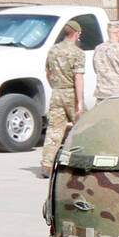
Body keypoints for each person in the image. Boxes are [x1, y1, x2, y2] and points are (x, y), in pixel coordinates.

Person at [40, 18, 86, 177]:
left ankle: (46, 166)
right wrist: (80, 103)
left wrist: (55, 88)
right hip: (71, 94)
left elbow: (48, 73)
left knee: (54, 131)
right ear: (75, 34)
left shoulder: (53, 50)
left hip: (57, 92)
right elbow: (78, 77)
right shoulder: (77, 53)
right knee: (81, 129)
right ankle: (81, 165)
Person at [93, 21, 119, 101]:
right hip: (116, 95)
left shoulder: (98, 49)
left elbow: (96, 69)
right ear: (118, 33)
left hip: (101, 95)